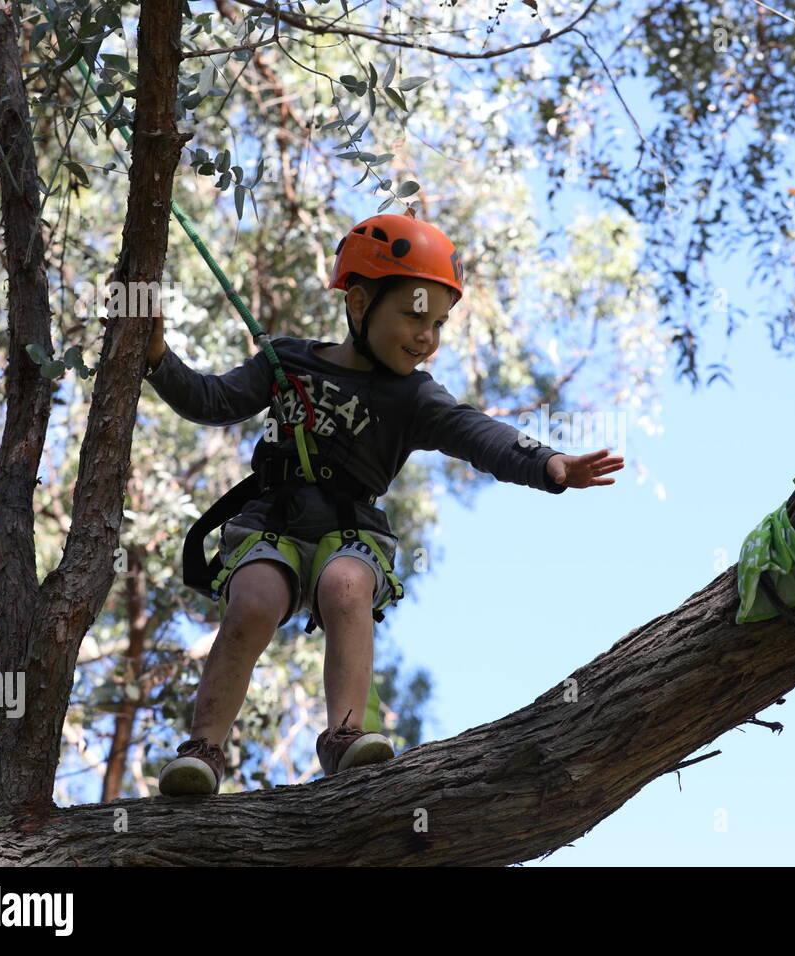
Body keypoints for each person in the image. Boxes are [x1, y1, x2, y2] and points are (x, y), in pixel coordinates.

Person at [143, 212, 624, 795]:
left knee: (346, 585)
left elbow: (480, 434)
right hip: (273, 522)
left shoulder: (414, 396)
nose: (428, 337)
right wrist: (157, 358)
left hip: (350, 531)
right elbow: (211, 400)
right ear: (360, 303)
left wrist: (550, 464)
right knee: (253, 600)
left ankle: (344, 735)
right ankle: (203, 750)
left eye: (440, 323)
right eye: (415, 315)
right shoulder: (286, 361)